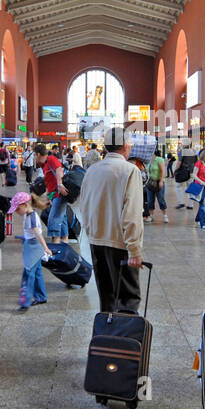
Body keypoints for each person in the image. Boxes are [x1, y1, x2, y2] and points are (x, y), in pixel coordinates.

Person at [78, 126, 145, 313]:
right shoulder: (130, 171)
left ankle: (106, 339)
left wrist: (92, 234)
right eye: (130, 143)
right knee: (127, 302)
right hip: (120, 244)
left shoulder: (92, 170)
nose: (131, 147)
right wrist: (134, 249)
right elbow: (132, 214)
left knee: (106, 300)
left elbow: (84, 205)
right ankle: (123, 341)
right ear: (124, 145)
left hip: (96, 242)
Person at [10, 192, 53, 312]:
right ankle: (41, 296)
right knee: (37, 272)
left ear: (24, 205)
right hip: (32, 246)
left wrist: (46, 248)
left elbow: (38, 234)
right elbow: (32, 233)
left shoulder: (31, 217)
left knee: (28, 274)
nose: (16, 212)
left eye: (17, 209)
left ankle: (25, 301)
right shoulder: (29, 214)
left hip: (34, 248)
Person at [36, 142, 72, 245]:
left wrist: (60, 184)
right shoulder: (45, 164)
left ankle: (56, 243)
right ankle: (64, 240)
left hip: (59, 193)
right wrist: (48, 196)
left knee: (54, 217)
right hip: (54, 194)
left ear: (38, 154)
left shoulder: (51, 159)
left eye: (35, 155)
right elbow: (49, 181)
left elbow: (59, 169)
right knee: (62, 216)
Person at [143, 148, 169, 223]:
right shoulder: (148, 161)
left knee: (161, 199)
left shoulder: (159, 159)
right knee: (150, 200)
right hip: (150, 183)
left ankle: (165, 215)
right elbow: (148, 171)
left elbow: (163, 171)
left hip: (158, 182)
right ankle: (151, 216)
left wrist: (161, 181)